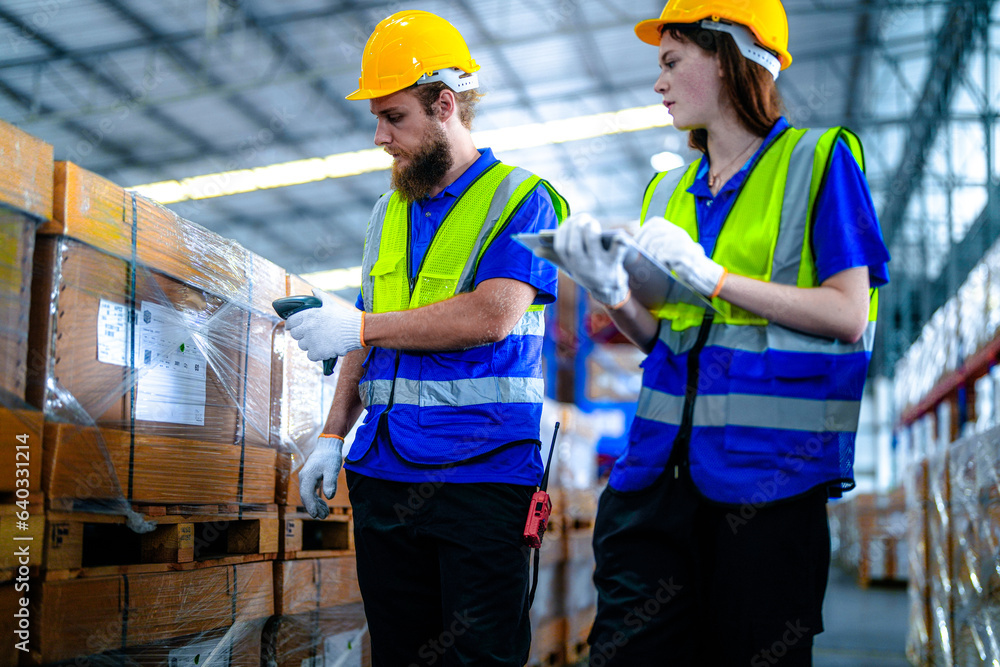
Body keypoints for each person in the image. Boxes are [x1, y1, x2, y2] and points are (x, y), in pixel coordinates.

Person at [550, 1, 890, 665]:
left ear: (730, 57)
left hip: (768, 484)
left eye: (672, 62)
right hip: (654, 478)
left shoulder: (817, 162)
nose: (659, 83)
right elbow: (667, 341)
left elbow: (849, 313)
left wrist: (714, 278)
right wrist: (610, 289)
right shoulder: (666, 193)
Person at [283, 10, 568, 666]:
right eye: (376, 118)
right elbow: (365, 329)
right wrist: (332, 432)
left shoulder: (522, 198)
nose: (380, 136)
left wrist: (358, 324)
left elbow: (492, 314)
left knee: (477, 657)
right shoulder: (388, 211)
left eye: (394, 117)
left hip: (482, 477)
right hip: (383, 472)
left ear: (445, 106)